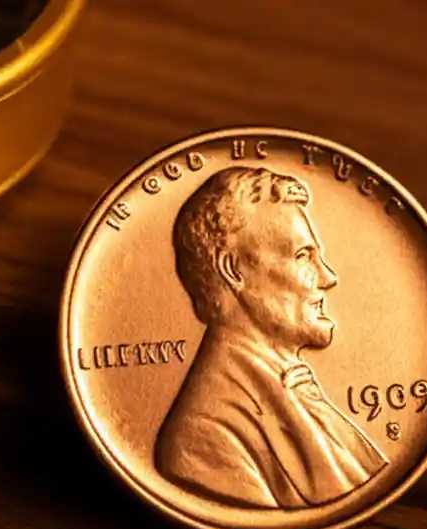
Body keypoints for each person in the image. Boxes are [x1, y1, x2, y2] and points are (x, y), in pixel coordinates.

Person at [155, 166, 387, 509]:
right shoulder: (203, 437)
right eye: (303, 256)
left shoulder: (299, 394)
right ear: (233, 271)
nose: (328, 277)